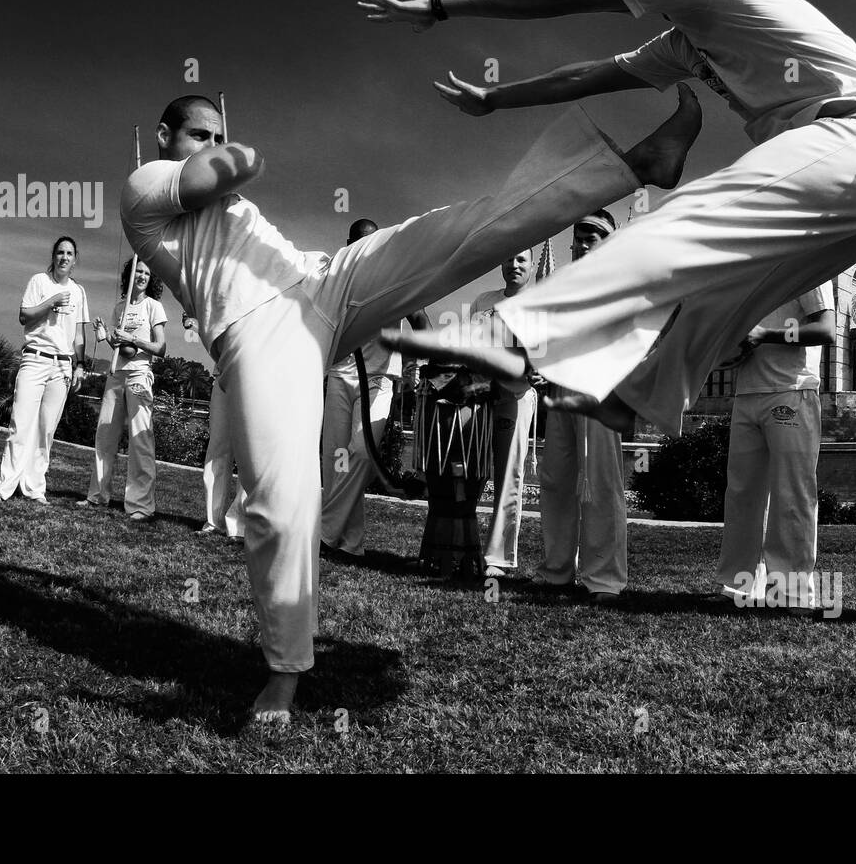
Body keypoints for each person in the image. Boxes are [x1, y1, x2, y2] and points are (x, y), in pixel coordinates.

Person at [120, 92, 699, 723]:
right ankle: (284, 675)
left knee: (455, 232)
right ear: (162, 136)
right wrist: (232, 151)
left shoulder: (218, 198)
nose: (210, 144)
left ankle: (632, 165)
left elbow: (230, 167)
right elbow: (234, 166)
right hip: (258, 333)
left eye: (216, 134)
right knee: (283, 504)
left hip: (321, 281)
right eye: (198, 135)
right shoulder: (146, 190)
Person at [363, 0, 856, 438]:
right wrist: (495, 97)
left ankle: (517, 331)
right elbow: (589, 75)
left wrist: (440, 5)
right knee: (724, 290)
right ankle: (639, 397)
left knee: (695, 216)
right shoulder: (687, 45)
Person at [714, 283, 836, 613]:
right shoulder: (756, 269)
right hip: (748, 391)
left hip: (792, 390)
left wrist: (765, 335)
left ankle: (793, 593)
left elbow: (826, 330)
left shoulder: (810, 267)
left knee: (792, 494)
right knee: (742, 493)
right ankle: (741, 586)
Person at [321, 218, 430, 559]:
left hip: (379, 379)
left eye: (373, 242)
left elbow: (422, 324)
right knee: (335, 463)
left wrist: (424, 362)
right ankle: (350, 545)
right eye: (358, 241)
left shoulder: (396, 281)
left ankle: (322, 531)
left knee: (363, 452)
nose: (366, 248)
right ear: (348, 243)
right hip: (339, 376)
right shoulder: (335, 281)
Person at [533, 213, 627, 605]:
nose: (583, 244)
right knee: (556, 481)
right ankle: (557, 572)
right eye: (578, 238)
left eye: (592, 237)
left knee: (600, 484)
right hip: (561, 392)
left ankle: (604, 579)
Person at [0, 236, 89, 504]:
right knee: (20, 425)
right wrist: (51, 302)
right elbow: (24, 316)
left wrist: (81, 365)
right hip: (35, 358)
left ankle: (34, 488)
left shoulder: (79, 292)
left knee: (46, 431)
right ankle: (4, 488)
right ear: (53, 256)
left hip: (62, 366)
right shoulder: (39, 282)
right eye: (60, 252)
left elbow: (79, 334)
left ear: (75, 259)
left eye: (69, 253)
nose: (64, 257)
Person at [77, 259, 167, 522]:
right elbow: (121, 351)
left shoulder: (154, 306)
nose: (142, 275)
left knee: (140, 441)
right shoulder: (120, 307)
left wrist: (133, 339)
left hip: (140, 376)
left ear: (152, 280)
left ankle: (140, 505)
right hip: (115, 376)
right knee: (105, 436)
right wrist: (107, 337)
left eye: (147, 273)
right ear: (130, 274)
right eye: (138, 270)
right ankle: (97, 496)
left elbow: (160, 348)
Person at [469, 248, 536, 576]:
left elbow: (544, 357)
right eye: (509, 258)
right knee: (471, 472)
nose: (514, 265)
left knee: (509, 476)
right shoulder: (483, 301)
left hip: (516, 396)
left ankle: (498, 558)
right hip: (481, 398)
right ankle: (464, 546)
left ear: (533, 263)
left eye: (522, 259)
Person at [193, 318, 247, 540]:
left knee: (247, 452)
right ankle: (213, 521)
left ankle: (240, 525)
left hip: (253, 375)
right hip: (222, 375)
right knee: (217, 449)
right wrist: (196, 325)